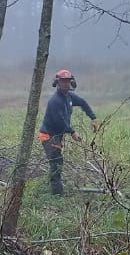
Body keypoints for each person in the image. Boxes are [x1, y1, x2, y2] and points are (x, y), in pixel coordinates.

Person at [37, 68, 96, 197]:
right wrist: (72, 132)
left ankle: (53, 188)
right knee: (57, 164)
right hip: (48, 136)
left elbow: (83, 103)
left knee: (57, 163)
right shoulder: (55, 101)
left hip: (56, 136)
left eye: (68, 81)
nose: (66, 84)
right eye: (63, 81)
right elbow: (59, 121)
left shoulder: (69, 97)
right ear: (57, 83)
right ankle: (57, 196)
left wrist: (93, 117)